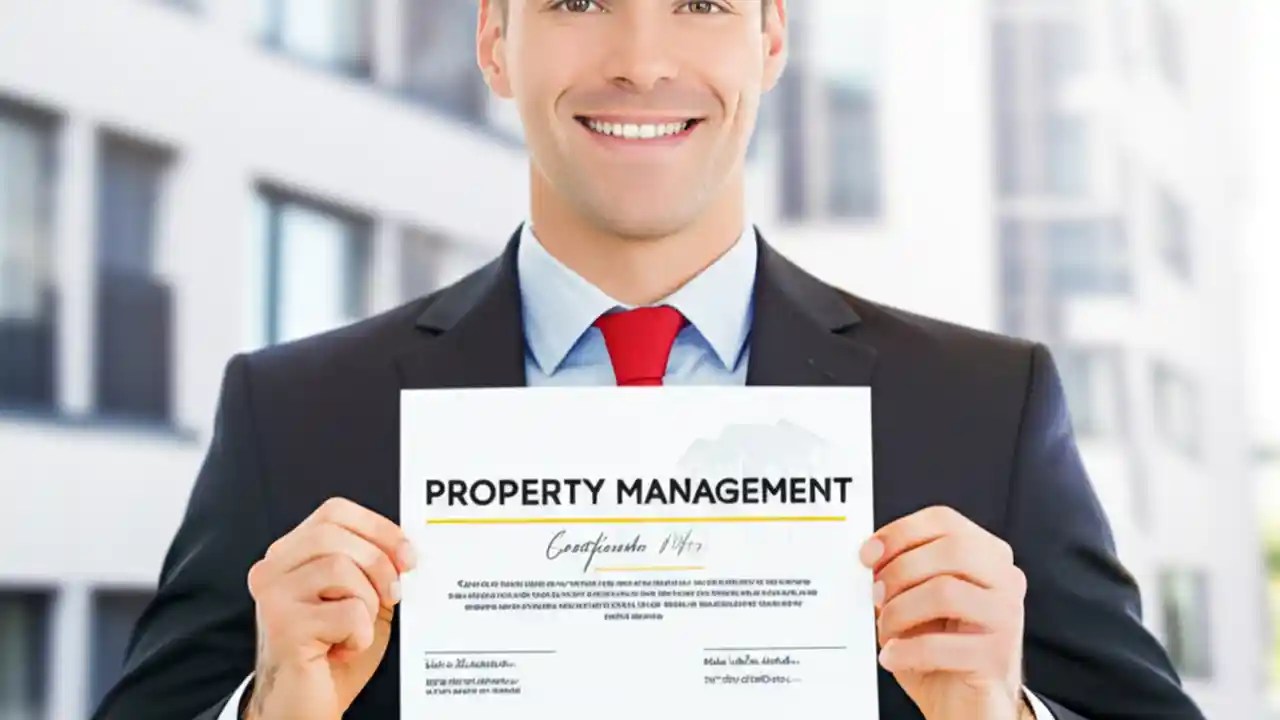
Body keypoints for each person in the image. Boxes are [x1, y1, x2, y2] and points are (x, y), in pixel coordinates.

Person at [93, 1, 1204, 718]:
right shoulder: (292, 415)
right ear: (494, 38)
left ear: (769, 39)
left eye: (701, 4)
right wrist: (265, 712)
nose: (640, 60)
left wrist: (1002, 716)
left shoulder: (982, 408)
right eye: (578, 3)